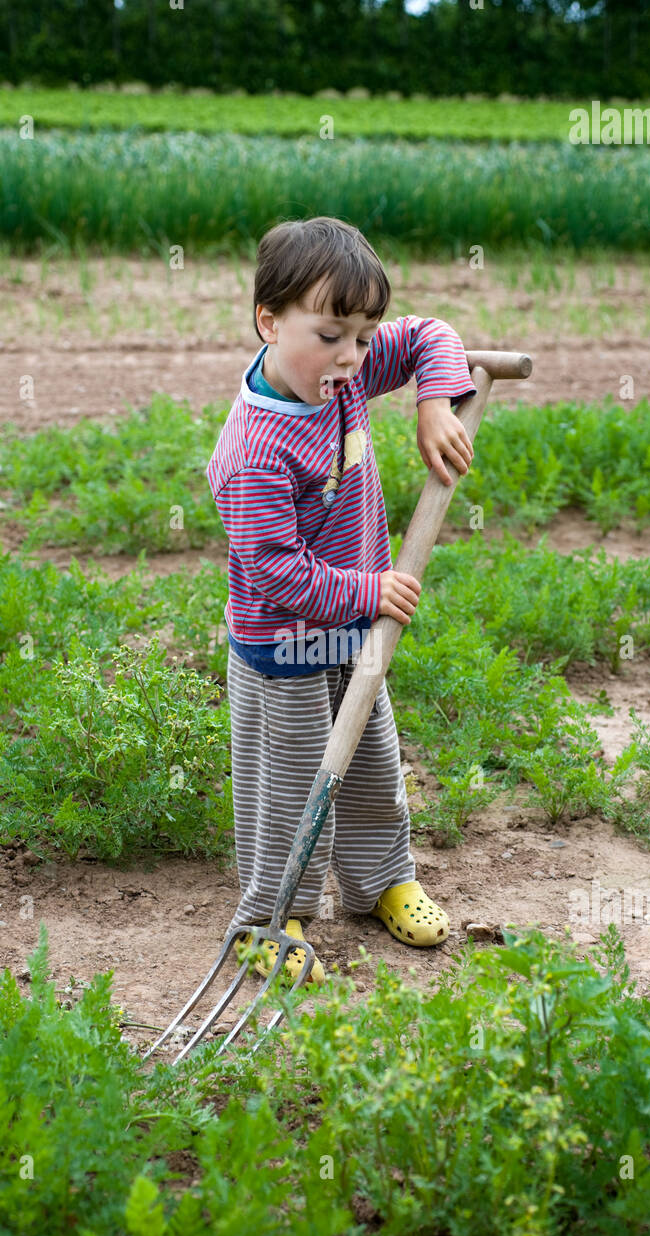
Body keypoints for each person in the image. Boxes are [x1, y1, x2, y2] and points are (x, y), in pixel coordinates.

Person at [206, 215, 475, 984]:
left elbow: (431, 333)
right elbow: (274, 573)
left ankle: (378, 882)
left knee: (367, 769)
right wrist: (370, 590)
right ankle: (270, 916)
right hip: (283, 647)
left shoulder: (345, 371)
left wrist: (432, 399)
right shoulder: (255, 449)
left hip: (352, 630)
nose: (350, 356)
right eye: (329, 334)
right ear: (269, 321)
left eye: (363, 336)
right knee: (291, 785)